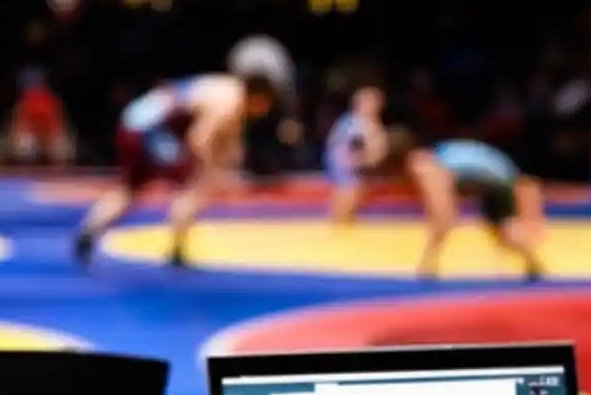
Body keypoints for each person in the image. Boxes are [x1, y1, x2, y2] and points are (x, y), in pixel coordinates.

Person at [73, 73, 276, 268]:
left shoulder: (227, 89)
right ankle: (176, 249)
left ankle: (89, 230)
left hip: (136, 122)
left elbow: (228, 147)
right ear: (259, 97)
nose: (265, 112)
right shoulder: (230, 104)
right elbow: (199, 140)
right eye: (267, 105)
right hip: (151, 130)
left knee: (131, 188)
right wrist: (209, 171)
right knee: (195, 184)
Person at [406, 139, 547, 280]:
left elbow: (441, 209)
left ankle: (428, 263)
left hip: (489, 174)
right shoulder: (449, 152)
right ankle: (533, 263)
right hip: (502, 175)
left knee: (442, 217)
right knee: (505, 225)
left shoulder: (426, 162)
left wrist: (430, 257)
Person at [325, 86, 388, 224]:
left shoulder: (372, 124)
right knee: (345, 203)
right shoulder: (351, 124)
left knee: (354, 203)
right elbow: (338, 149)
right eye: (370, 102)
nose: (374, 106)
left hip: (362, 172)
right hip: (347, 173)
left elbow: (378, 149)